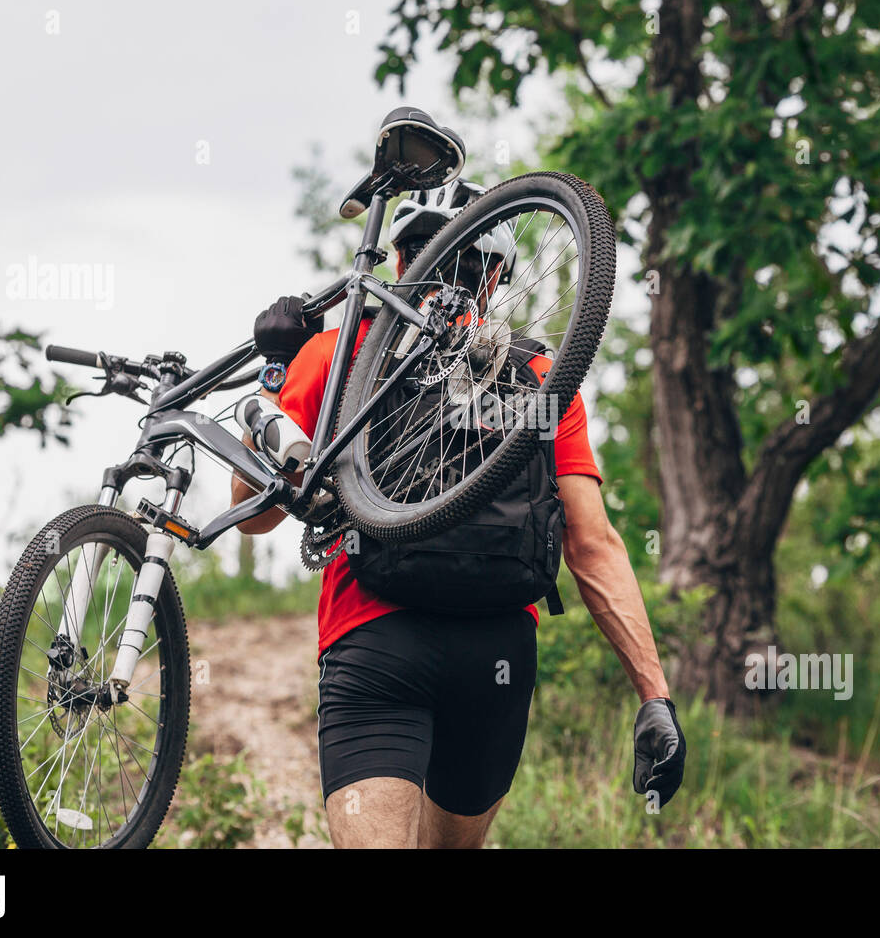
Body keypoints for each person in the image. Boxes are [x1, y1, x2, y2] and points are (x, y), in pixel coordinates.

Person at [230, 180, 685, 848]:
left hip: (375, 639)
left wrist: (274, 373)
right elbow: (594, 547)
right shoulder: (540, 372)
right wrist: (654, 695)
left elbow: (254, 516)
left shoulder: (336, 354)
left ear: (401, 265)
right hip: (496, 656)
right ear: (496, 276)